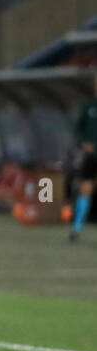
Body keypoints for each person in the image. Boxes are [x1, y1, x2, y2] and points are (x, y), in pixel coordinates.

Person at [70, 78, 97, 242]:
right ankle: (77, 229)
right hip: (92, 156)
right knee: (85, 189)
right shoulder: (88, 107)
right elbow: (78, 130)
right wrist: (84, 143)